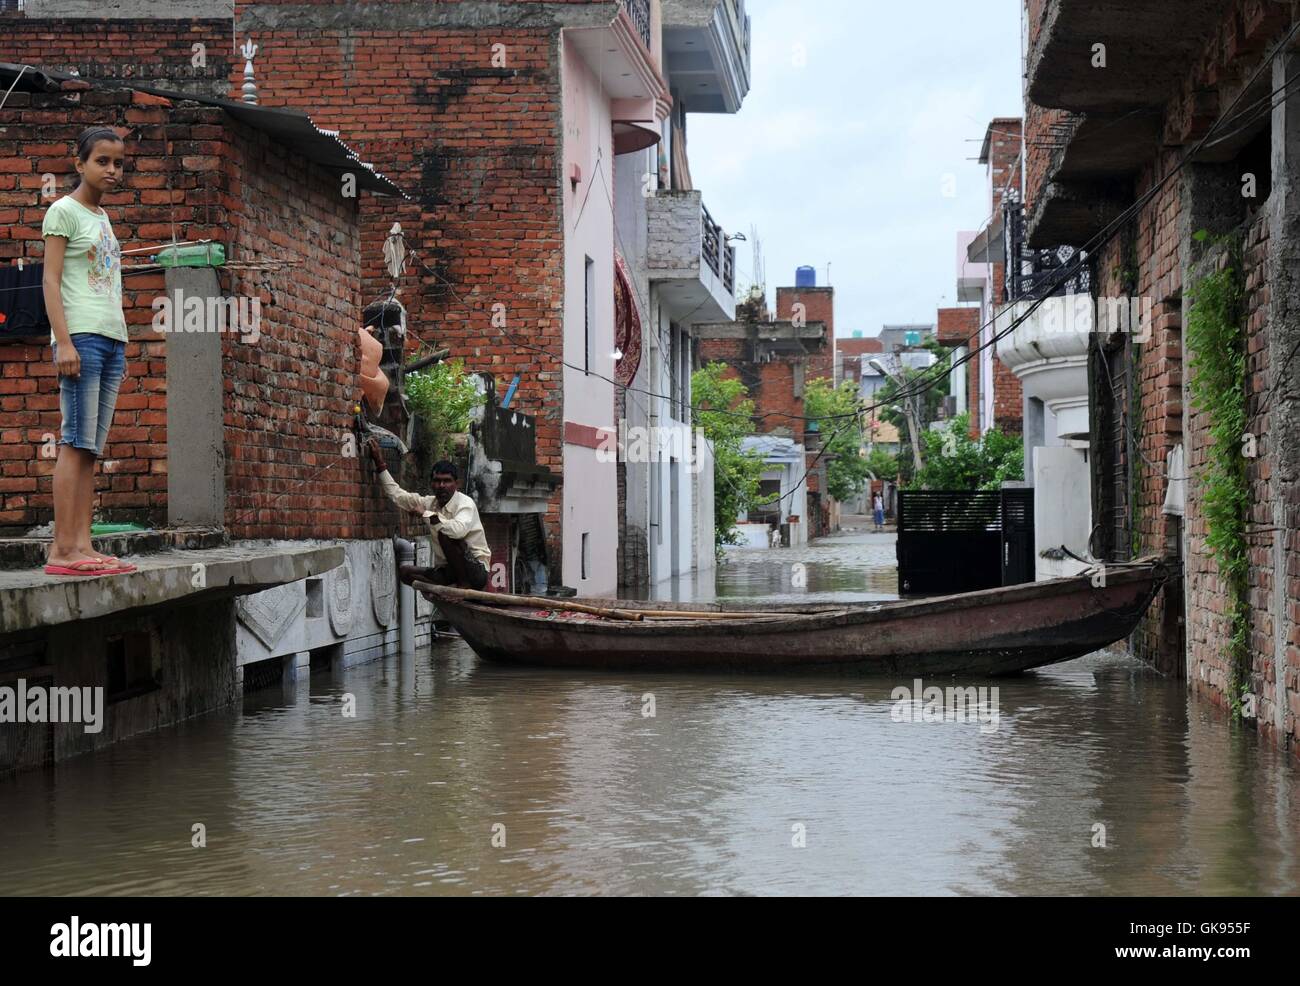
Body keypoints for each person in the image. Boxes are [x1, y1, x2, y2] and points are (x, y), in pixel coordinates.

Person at [40, 127, 135, 577]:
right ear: (79, 164)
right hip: (81, 339)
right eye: (102, 161)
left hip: (111, 338)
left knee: (91, 448)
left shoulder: (102, 217)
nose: (112, 170)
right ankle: (62, 551)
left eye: (118, 163)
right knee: (74, 442)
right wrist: (64, 341)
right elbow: (50, 281)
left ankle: (83, 544)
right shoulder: (63, 212)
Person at [366, 438, 492, 590]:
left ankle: (462, 586)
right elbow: (397, 495)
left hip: (475, 572)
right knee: (406, 572)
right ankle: (445, 588)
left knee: (445, 534)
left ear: (456, 484)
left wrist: (426, 514)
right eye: (437, 481)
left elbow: (458, 530)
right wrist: (380, 464)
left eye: (447, 481)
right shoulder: (429, 502)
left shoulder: (465, 504)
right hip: (448, 572)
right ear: (431, 483)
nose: (441, 486)